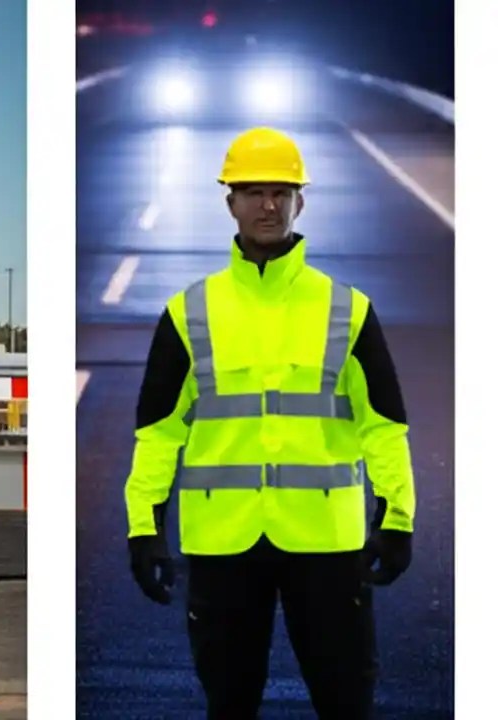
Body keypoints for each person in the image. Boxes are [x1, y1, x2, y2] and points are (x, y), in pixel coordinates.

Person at [122, 127, 415, 719]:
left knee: (346, 702)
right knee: (229, 705)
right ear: (229, 201)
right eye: (253, 192)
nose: (268, 205)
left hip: (327, 543)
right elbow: (158, 433)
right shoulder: (188, 313)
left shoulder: (346, 309)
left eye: (281, 192)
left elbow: (384, 425)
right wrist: (142, 526)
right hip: (223, 541)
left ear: (300, 201)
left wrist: (399, 516)